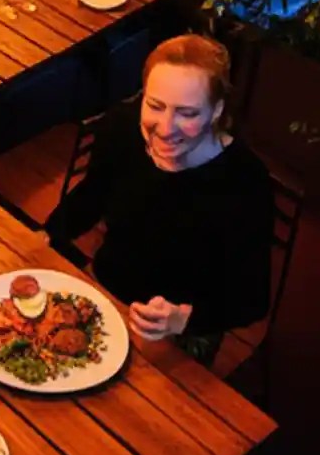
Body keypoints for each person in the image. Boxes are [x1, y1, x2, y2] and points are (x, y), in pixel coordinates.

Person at [44, 35, 273, 365]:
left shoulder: (244, 181)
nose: (165, 129)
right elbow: (92, 195)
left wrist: (181, 319)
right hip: (106, 291)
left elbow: (252, 298)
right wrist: (47, 235)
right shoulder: (121, 129)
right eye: (155, 106)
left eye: (187, 113)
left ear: (216, 111)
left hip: (183, 331)